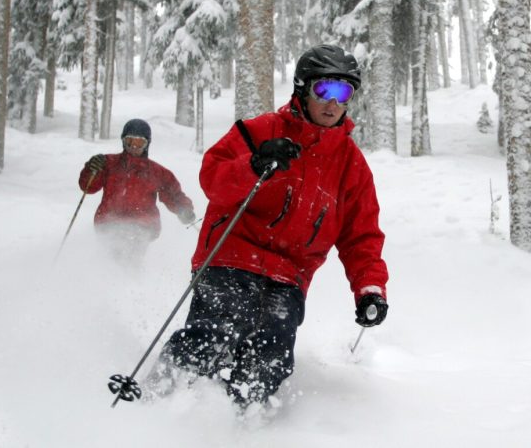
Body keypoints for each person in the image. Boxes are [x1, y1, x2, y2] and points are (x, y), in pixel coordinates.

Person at [150, 44, 389, 408]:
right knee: (214, 330)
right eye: (325, 89)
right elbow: (212, 177)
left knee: (271, 354)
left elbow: (361, 235)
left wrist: (369, 288)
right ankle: (160, 399)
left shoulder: (351, 165)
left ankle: (240, 422)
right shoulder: (260, 131)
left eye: (345, 93)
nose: (333, 103)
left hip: (289, 277)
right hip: (231, 257)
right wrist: (254, 164)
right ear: (303, 89)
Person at [79, 119, 196, 260]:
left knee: (130, 252)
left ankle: (130, 277)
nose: (134, 147)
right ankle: (110, 276)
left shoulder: (156, 172)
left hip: (142, 225)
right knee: (111, 256)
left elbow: (173, 194)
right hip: (109, 222)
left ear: (147, 144)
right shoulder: (109, 163)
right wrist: (91, 169)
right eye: (129, 142)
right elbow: (88, 187)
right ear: (123, 141)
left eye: (139, 143)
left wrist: (183, 209)